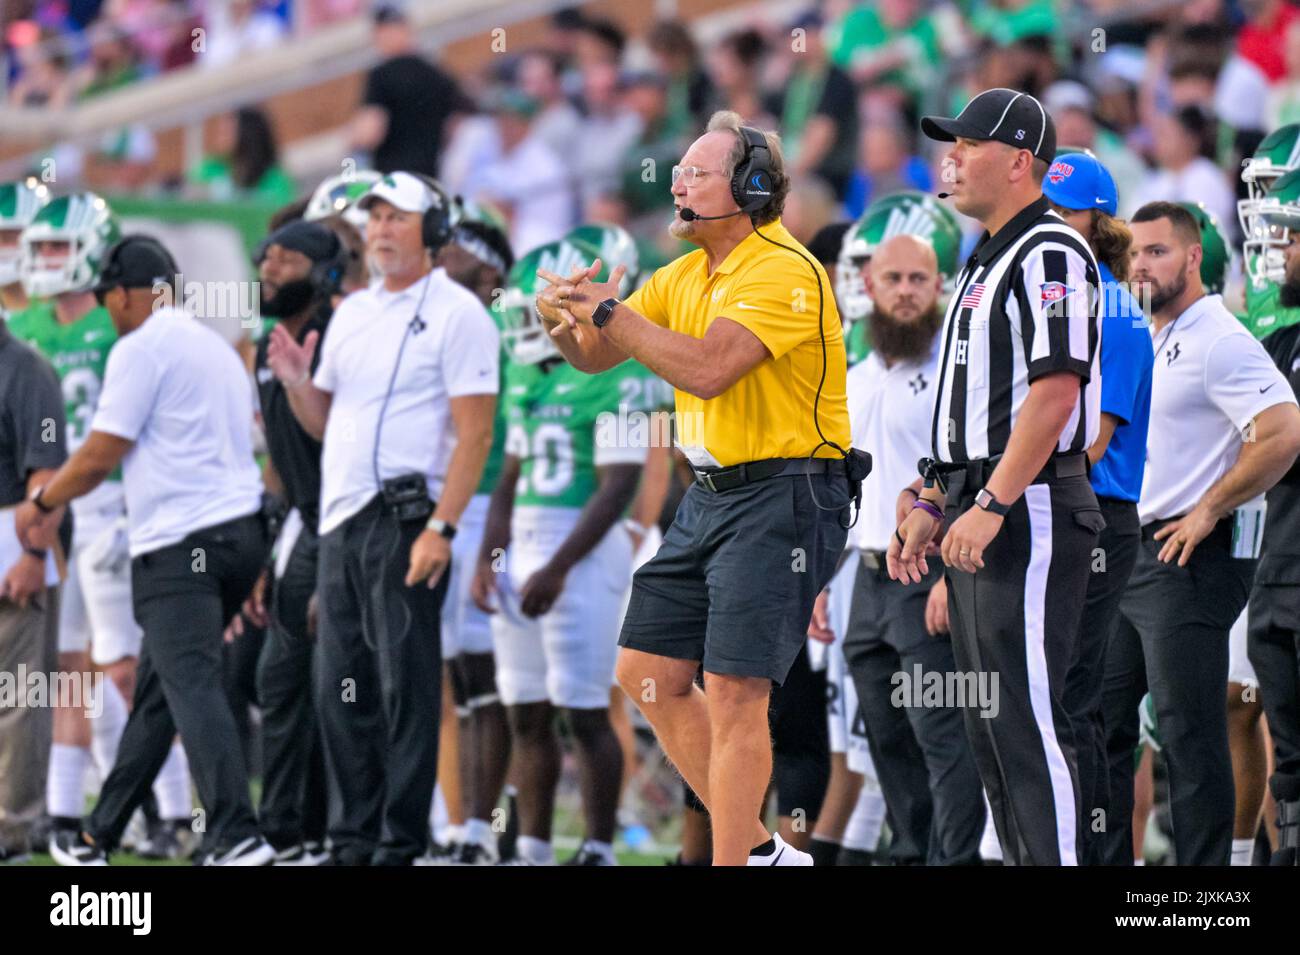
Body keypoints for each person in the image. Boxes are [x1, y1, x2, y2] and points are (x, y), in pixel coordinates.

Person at [535, 111, 855, 865]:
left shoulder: (783, 267)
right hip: (713, 493)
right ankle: (762, 853)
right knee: (645, 672)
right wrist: (561, 316)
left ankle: (735, 861)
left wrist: (609, 311)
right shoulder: (686, 273)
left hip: (786, 489)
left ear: (749, 188)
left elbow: (709, 368)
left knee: (737, 687)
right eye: (678, 170)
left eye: (695, 172)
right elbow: (591, 358)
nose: (675, 181)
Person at [894, 88, 1103, 866]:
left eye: (968, 144)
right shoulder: (987, 254)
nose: (950, 157)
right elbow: (976, 404)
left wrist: (990, 499)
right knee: (992, 728)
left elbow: (1055, 391)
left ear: (1020, 161)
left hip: (1032, 501)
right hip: (990, 500)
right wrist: (935, 500)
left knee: (1029, 724)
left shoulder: (1049, 249)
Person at [265, 171, 498, 866]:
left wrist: (443, 528)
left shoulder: (460, 314)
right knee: (343, 687)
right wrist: (299, 383)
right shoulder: (353, 313)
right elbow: (325, 419)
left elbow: (476, 435)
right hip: (340, 519)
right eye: (374, 219)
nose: (381, 231)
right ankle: (350, 838)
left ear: (433, 232)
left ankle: (400, 841)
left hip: (407, 517)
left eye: (397, 218)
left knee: (407, 686)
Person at [20, 235, 274, 866]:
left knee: (189, 684)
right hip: (239, 535)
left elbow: (103, 453)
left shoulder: (141, 348)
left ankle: (236, 831)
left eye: (110, 297)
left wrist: (44, 502)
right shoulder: (214, 346)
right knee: (160, 694)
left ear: (132, 293)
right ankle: (95, 834)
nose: (109, 309)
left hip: (181, 542)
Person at [1103, 201, 1300, 866]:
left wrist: (1210, 507)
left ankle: (1203, 898)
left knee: (1191, 737)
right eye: (1134, 252)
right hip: (1132, 551)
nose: (1141, 264)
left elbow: (1282, 429)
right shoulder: (1147, 331)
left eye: (1157, 251)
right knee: (1103, 726)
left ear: (1193, 257)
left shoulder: (1220, 336)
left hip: (1184, 558)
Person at [11, 193, 193, 859]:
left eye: (60, 247)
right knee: (68, 670)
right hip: (57, 504)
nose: (44, 260)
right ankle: (63, 811)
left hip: (115, 502)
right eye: (44, 247)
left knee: (123, 670)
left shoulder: (124, 324)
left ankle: (173, 809)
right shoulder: (29, 323)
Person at [471, 236, 651, 866]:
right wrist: (488, 558)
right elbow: (508, 481)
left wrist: (556, 567)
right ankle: (533, 847)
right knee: (526, 712)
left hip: (581, 556)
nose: (533, 322)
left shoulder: (621, 372)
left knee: (585, 712)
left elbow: (619, 488)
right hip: (524, 553)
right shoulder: (525, 375)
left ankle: (599, 845)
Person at [839, 232, 986, 865]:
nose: (904, 291)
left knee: (943, 737)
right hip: (865, 577)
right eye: (892, 278)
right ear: (868, 286)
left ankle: (956, 861)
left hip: (927, 574)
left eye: (917, 280)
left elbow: (971, 473)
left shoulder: (956, 374)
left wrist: (954, 580)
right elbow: (836, 486)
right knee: (885, 739)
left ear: (940, 288)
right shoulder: (852, 376)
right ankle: (908, 855)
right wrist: (820, 580)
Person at [1040, 151, 1153, 865]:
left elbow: (1091, 440)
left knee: (1072, 703)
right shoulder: (1069, 300)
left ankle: (1094, 858)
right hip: (1059, 507)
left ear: (1099, 224)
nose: (1051, 226)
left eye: (1067, 213)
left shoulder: (1113, 311)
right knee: (1052, 700)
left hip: (1095, 515)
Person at [245, 219, 350, 865]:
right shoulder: (265, 346)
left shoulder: (344, 331)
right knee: (277, 680)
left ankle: (333, 832)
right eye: (268, 257)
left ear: (325, 270)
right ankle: (285, 833)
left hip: (349, 522)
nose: (271, 267)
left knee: (337, 685)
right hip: (300, 523)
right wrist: (267, 543)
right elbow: (280, 462)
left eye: (287, 260)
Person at [428, 216, 516, 865]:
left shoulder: (508, 328)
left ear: (489, 271)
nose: (440, 260)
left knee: (491, 683)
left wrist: (492, 534)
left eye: (453, 253)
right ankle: (460, 827)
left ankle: (493, 831)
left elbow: (505, 440)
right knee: (459, 675)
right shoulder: (443, 320)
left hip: (495, 508)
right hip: (452, 503)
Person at [0, 295, 66, 863]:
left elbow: (47, 471)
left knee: (19, 693)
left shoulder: (26, 368)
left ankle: (15, 827)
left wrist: (32, 555)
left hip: (10, 538)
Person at [1250, 169, 1300, 863]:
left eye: (1293, 239)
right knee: (1290, 760)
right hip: (1277, 572)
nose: (1281, 253)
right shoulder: (1282, 344)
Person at [351, 3, 474, 177]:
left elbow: (369, 131)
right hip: (431, 177)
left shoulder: (381, 75)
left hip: (394, 179)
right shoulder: (434, 71)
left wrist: (352, 139)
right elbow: (461, 116)